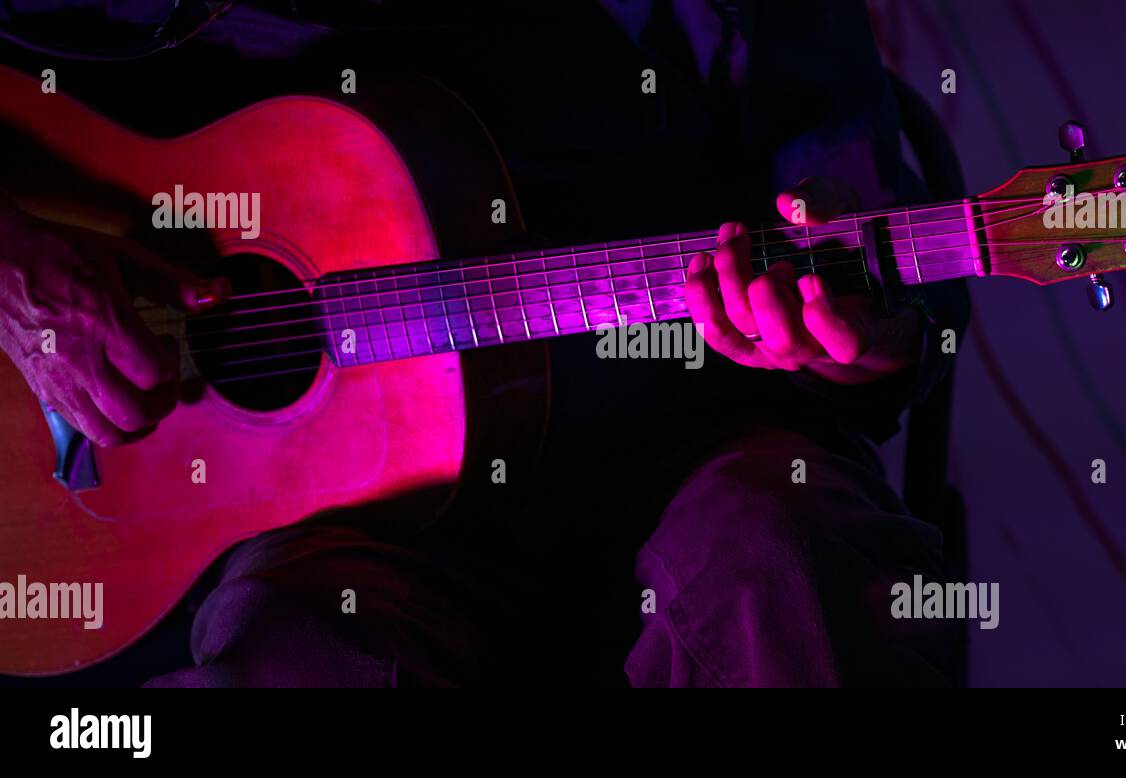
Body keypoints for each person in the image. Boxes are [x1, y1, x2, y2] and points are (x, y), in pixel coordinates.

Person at [0, 1, 969, 686]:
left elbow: (883, 309)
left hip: (691, 439)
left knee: (785, 577)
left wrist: (854, 340)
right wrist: (17, 263)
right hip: (349, 516)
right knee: (292, 661)